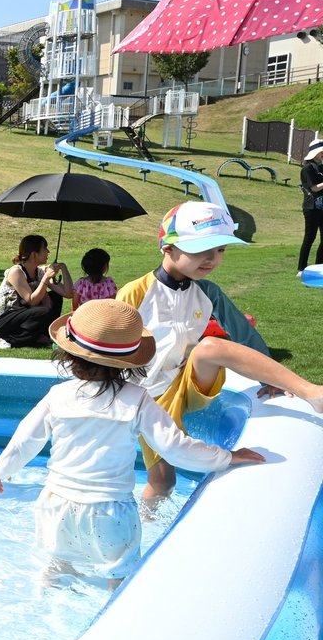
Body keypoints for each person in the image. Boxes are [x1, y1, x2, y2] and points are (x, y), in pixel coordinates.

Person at [0, 300, 264, 585]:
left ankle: (46, 595)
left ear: (68, 356)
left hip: (55, 503)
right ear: (129, 360)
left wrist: (3, 470)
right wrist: (226, 457)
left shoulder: (57, 395)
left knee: (58, 565)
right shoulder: (137, 400)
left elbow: (26, 438)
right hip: (110, 510)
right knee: (119, 579)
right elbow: (175, 448)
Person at [117, 201, 323, 502]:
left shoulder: (205, 294)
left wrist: (268, 379)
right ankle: (147, 527)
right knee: (163, 482)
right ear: (168, 248)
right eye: (202, 249)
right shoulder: (135, 293)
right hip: (146, 396)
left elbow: (237, 334)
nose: (212, 259)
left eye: (221, 250)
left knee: (211, 347)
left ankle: (312, 392)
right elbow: (112, 349)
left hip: (185, 383)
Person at [0, 234, 73, 350]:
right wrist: (46, 279)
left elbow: (68, 293)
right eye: (45, 248)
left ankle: (42, 335)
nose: (48, 252)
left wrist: (63, 267)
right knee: (42, 310)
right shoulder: (16, 272)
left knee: (56, 297)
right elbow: (31, 301)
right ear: (34, 254)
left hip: (21, 317)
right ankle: (9, 340)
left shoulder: (39, 272)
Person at [300, 138, 323, 273]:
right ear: (315, 153)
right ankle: (301, 267)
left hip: (322, 207)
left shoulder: (321, 167)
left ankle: (319, 265)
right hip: (311, 207)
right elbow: (313, 188)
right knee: (310, 237)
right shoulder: (307, 169)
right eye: (322, 152)